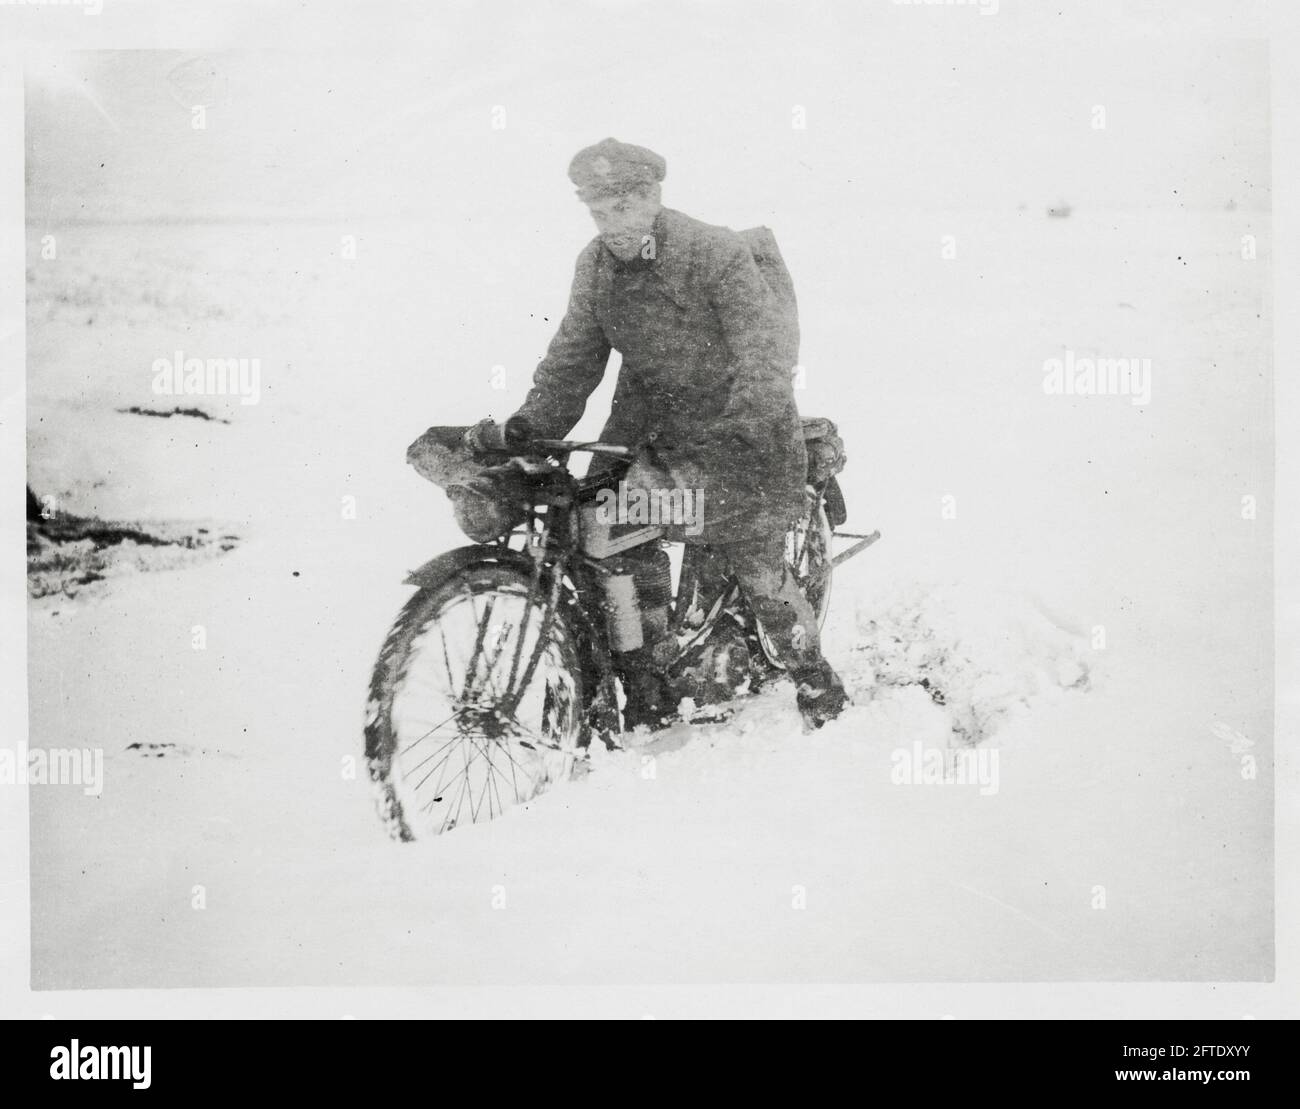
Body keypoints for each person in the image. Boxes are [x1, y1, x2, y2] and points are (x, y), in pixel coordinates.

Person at [473, 137, 848, 729]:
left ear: (652, 197)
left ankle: (816, 682)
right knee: (606, 523)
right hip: (649, 426)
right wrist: (532, 428)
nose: (609, 226)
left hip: (741, 433)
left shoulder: (715, 255)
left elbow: (764, 359)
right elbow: (574, 358)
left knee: (753, 559)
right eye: (598, 213)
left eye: (621, 209)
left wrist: (734, 435)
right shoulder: (595, 266)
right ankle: (648, 677)